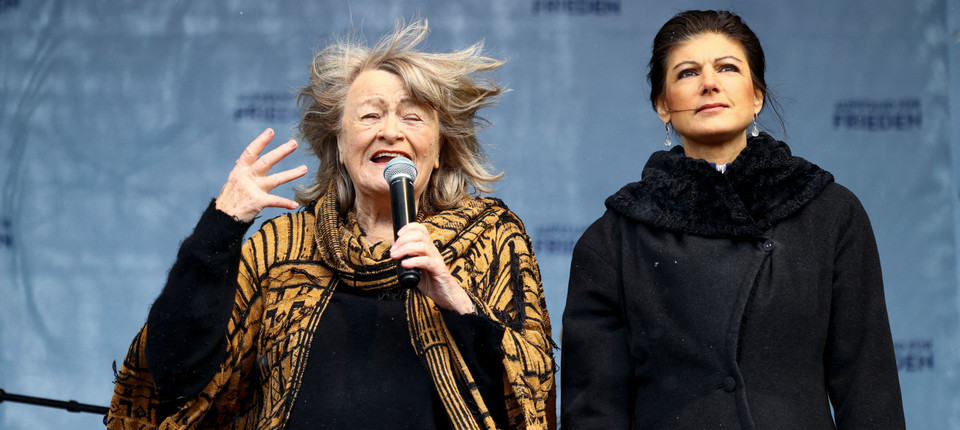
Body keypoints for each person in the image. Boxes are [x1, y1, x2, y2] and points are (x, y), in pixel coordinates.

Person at [107, 19, 556, 430]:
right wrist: (220, 225)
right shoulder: (281, 250)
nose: (391, 131)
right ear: (339, 146)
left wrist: (456, 301)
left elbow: (529, 397)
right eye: (370, 115)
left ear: (439, 152)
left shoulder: (491, 238)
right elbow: (173, 372)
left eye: (413, 116)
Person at [560, 9, 904, 429]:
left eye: (727, 67)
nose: (709, 83)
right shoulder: (613, 240)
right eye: (687, 73)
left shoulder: (830, 213)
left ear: (756, 95)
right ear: (662, 105)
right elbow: (594, 412)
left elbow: (869, 391)